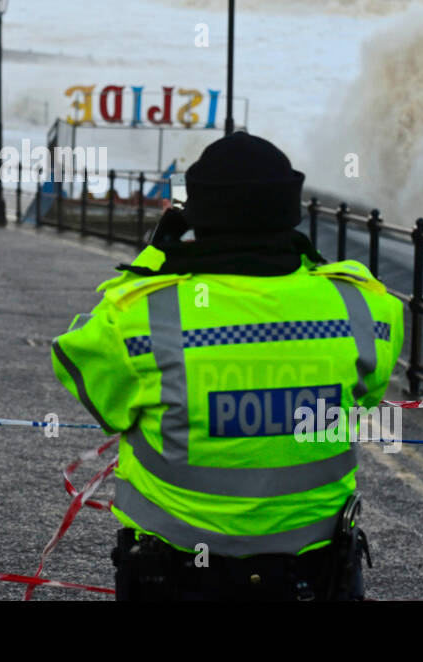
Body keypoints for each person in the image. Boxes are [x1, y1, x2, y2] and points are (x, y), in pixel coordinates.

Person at [52, 132, 404, 600]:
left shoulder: (139, 318)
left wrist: (158, 253)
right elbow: (366, 395)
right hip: (317, 575)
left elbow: (79, 365)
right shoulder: (363, 307)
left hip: (177, 576)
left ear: (197, 216)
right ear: (291, 211)